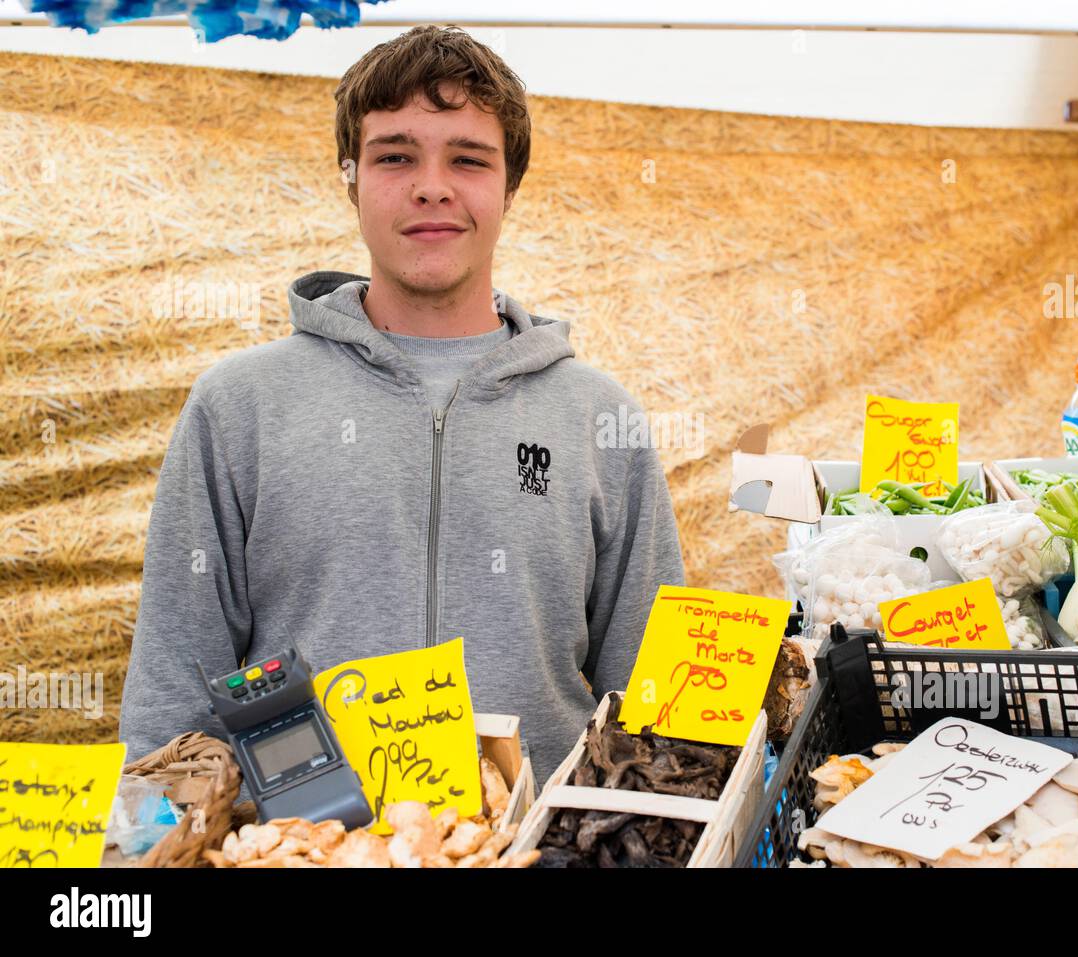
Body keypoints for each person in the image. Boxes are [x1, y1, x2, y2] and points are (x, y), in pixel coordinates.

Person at [118, 26, 685, 788]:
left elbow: (649, 705)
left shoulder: (598, 420)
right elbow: (172, 703)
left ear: (509, 187)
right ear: (350, 178)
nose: (431, 186)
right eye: (395, 156)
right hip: (303, 846)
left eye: (468, 158)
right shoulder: (239, 407)